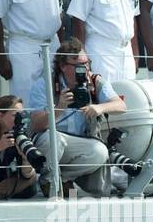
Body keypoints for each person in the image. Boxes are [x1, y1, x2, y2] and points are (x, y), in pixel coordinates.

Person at [27, 38, 126, 196]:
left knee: (100, 151)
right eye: (79, 65)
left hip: (79, 143)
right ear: (63, 66)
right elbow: (37, 125)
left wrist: (99, 107)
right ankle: (48, 181)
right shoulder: (45, 84)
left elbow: (121, 106)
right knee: (54, 139)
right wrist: (59, 108)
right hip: (50, 140)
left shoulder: (94, 81)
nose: (85, 69)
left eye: (87, 63)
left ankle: (63, 179)